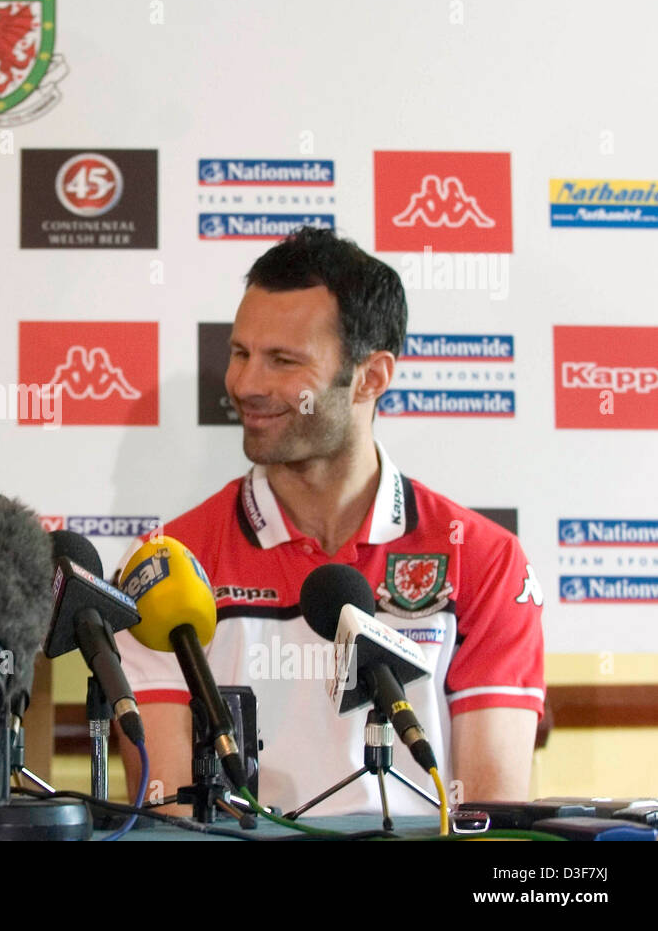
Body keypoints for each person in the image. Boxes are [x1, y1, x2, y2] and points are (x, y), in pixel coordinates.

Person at [116, 226, 544, 817]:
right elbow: (169, 812)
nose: (246, 384)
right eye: (240, 353)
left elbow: (490, 817)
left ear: (371, 377)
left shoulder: (483, 558)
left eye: (282, 361)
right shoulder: (166, 564)